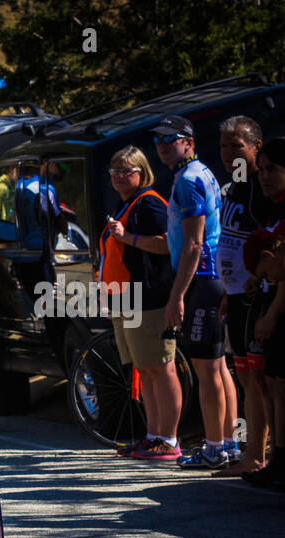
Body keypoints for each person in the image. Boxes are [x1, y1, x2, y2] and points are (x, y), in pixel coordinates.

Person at [151, 115, 237, 469]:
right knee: (219, 368)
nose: (162, 146)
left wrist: (177, 296)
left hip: (202, 278)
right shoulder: (200, 172)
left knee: (207, 370)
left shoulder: (187, 180)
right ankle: (229, 443)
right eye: (158, 141)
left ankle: (214, 447)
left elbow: (193, 244)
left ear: (188, 141)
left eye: (169, 139)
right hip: (213, 277)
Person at [99, 147, 179, 459]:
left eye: (127, 169)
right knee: (145, 370)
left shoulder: (149, 203)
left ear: (142, 172)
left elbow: (168, 244)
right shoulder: (125, 204)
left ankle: (169, 440)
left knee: (162, 367)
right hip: (125, 299)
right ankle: (153, 435)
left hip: (149, 299)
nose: (119, 175)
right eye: (115, 170)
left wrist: (128, 236)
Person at [215, 116, 274, 474]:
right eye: (222, 146)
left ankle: (259, 456)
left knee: (261, 380)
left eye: (236, 146)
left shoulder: (260, 188)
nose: (227, 153)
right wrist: (226, 292)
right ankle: (254, 453)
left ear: (256, 148)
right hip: (234, 296)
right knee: (245, 377)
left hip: (257, 296)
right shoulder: (233, 187)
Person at [240, 136, 285, 489]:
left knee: (284, 387)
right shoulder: (274, 208)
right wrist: (258, 278)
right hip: (270, 303)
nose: (263, 176)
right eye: (261, 169)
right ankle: (279, 461)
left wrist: (272, 315)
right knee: (275, 386)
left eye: (273, 169)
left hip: (283, 312)